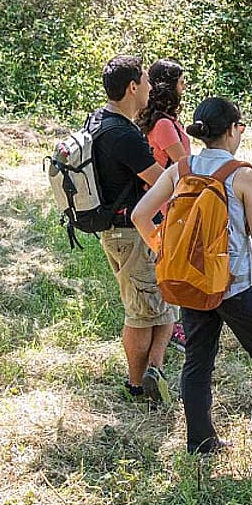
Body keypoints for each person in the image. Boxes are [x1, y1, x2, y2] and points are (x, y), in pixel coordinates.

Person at [131, 97, 252, 465]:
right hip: (239, 287)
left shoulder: (180, 169)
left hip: (194, 285)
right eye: (240, 127)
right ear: (231, 130)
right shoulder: (241, 175)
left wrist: (164, 249)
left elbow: (139, 214)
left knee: (197, 361)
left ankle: (200, 441)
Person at [93, 55, 176, 404]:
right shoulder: (124, 134)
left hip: (121, 229)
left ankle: (153, 373)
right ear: (132, 87)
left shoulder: (100, 120)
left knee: (158, 305)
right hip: (131, 231)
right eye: (144, 80)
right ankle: (137, 386)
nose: (149, 86)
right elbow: (161, 181)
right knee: (141, 311)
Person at [137, 58, 192, 349]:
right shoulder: (164, 125)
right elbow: (184, 165)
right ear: (169, 88)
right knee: (175, 265)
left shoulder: (158, 120)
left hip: (164, 200)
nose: (184, 88)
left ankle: (171, 322)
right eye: (181, 82)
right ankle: (176, 326)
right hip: (169, 203)